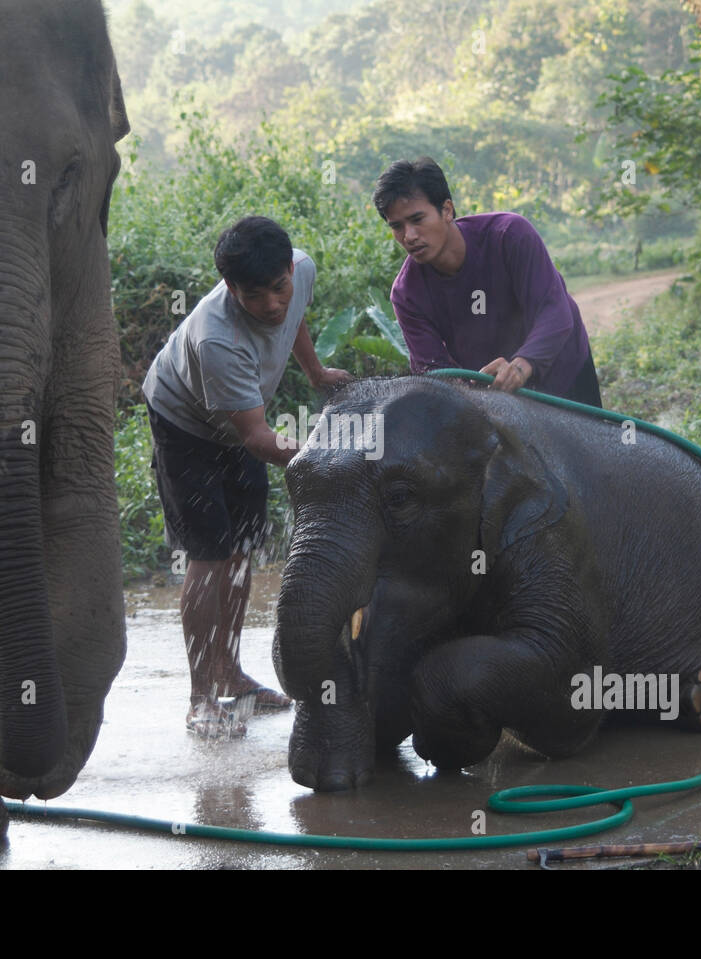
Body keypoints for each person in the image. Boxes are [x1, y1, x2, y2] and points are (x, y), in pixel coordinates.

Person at [142, 216, 351, 738]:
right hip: (186, 423)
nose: (274, 304)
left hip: (239, 416)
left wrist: (316, 372)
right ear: (231, 289)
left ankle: (230, 671)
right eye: (256, 296)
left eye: (279, 288)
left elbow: (294, 315)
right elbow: (257, 438)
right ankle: (201, 696)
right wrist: (329, 457)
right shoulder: (218, 338)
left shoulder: (298, 270)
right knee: (210, 555)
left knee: (242, 549)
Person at [372, 157, 602, 406]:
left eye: (417, 219)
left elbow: (555, 311)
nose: (410, 236)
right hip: (494, 399)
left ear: (447, 210)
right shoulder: (407, 294)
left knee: (587, 444)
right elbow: (434, 371)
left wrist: (521, 367)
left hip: (561, 370)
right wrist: (468, 393)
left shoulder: (509, 235)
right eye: (397, 226)